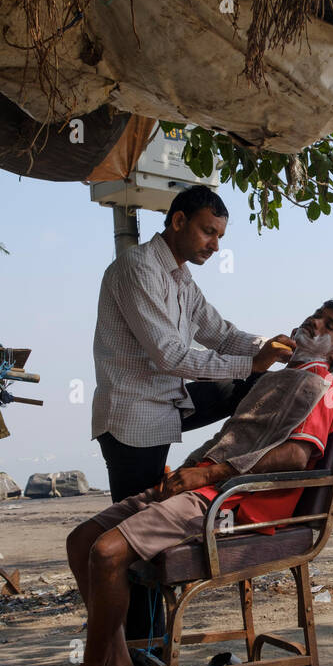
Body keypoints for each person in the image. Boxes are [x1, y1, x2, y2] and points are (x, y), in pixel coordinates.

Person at [20, 300, 333, 666]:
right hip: (205, 486)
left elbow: (296, 455)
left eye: (329, 324)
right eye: (318, 313)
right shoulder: (283, 378)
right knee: (82, 541)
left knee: (107, 554)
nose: (314, 321)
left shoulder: (318, 387)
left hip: (230, 507)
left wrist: (207, 473)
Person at [91, 185, 297, 503]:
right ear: (178, 221)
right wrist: (253, 362)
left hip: (169, 403)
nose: (215, 246)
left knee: (259, 383)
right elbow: (170, 357)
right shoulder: (139, 268)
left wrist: (270, 347)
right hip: (134, 417)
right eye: (207, 232)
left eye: (219, 237)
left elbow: (223, 336)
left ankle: (233, 465)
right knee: (133, 519)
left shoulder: (182, 278)